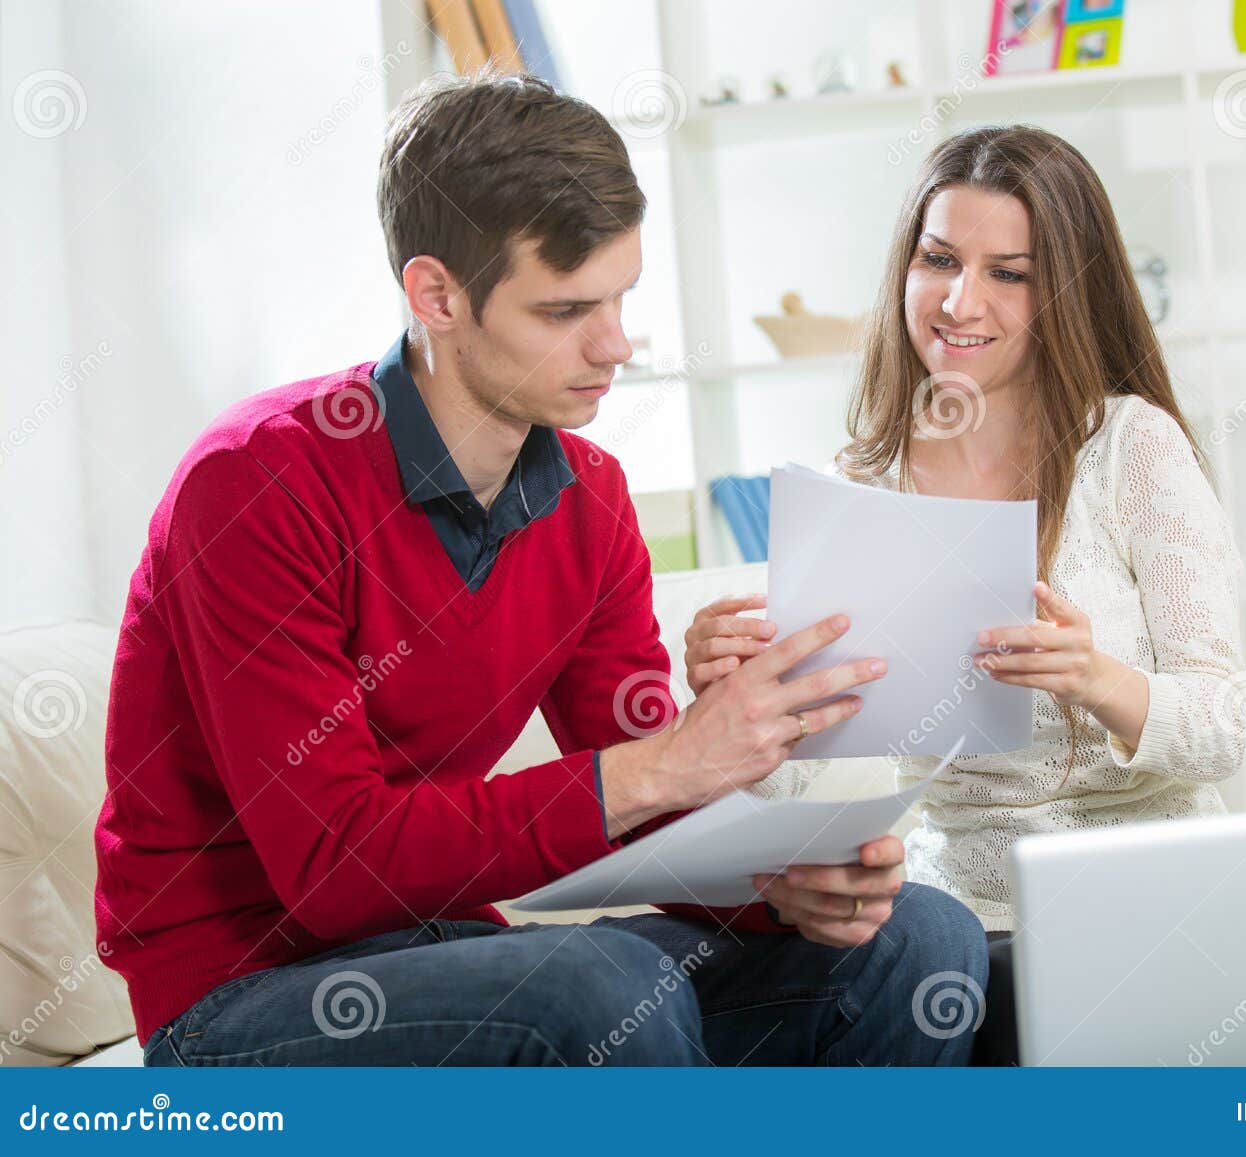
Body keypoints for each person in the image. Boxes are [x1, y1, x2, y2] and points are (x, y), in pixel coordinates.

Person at [94, 72, 987, 1068]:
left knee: (919, 939)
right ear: (436, 295)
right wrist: (663, 763)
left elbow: (643, 790)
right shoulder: (258, 482)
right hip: (241, 993)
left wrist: (774, 880)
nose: (615, 346)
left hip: (449, 947)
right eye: (565, 309)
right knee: (593, 984)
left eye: (621, 298)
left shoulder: (588, 495)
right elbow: (332, 865)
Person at [685, 126, 1246, 1064]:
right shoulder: (861, 484)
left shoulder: (1129, 448)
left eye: (1009, 274)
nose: (959, 300)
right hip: (967, 918)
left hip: (1148, 892)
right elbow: (819, 783)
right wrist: (741, 695)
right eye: (939, 259)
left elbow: (1228, 722)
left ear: (1066, 289)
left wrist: (1100, 678)